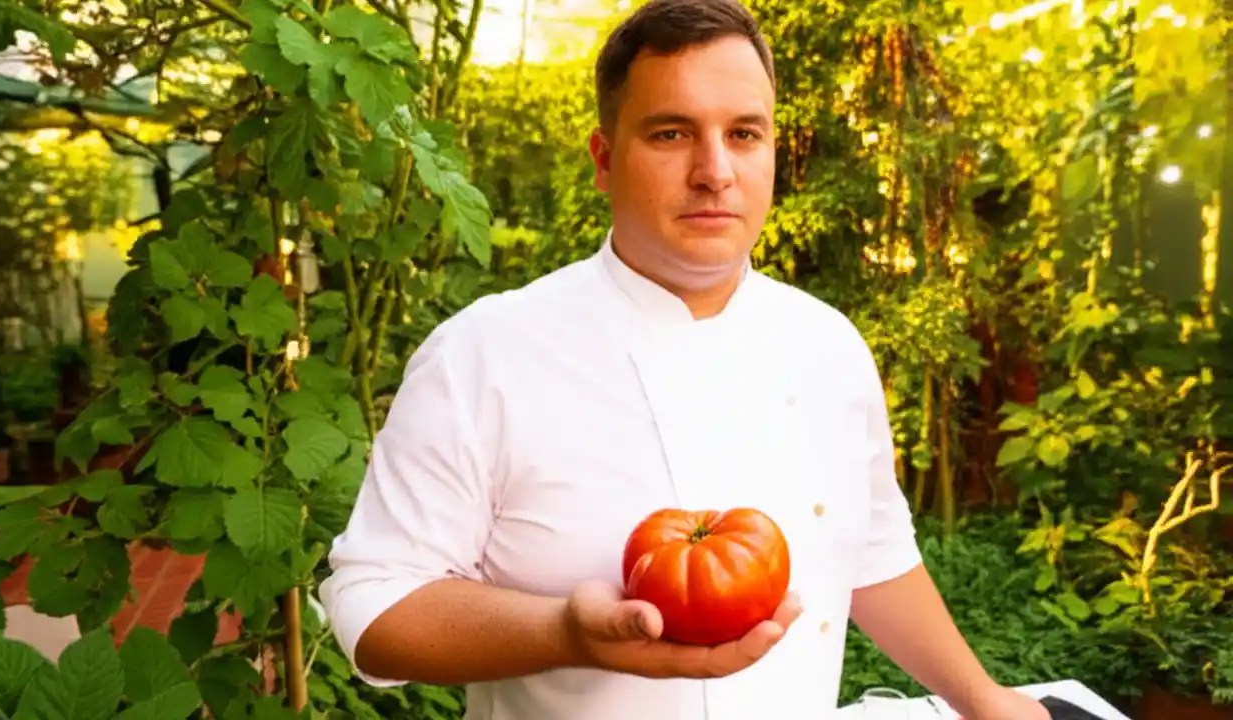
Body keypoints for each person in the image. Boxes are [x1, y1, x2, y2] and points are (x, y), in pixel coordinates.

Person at [318, 0, 1053, 718]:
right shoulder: (485, 354)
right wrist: (566, 634)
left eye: (744, 134)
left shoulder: (829, 346)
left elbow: (874, 560)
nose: (714, 170)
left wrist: (983, 700)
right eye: (671, 133)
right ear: (604, 160)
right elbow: (375, 604)